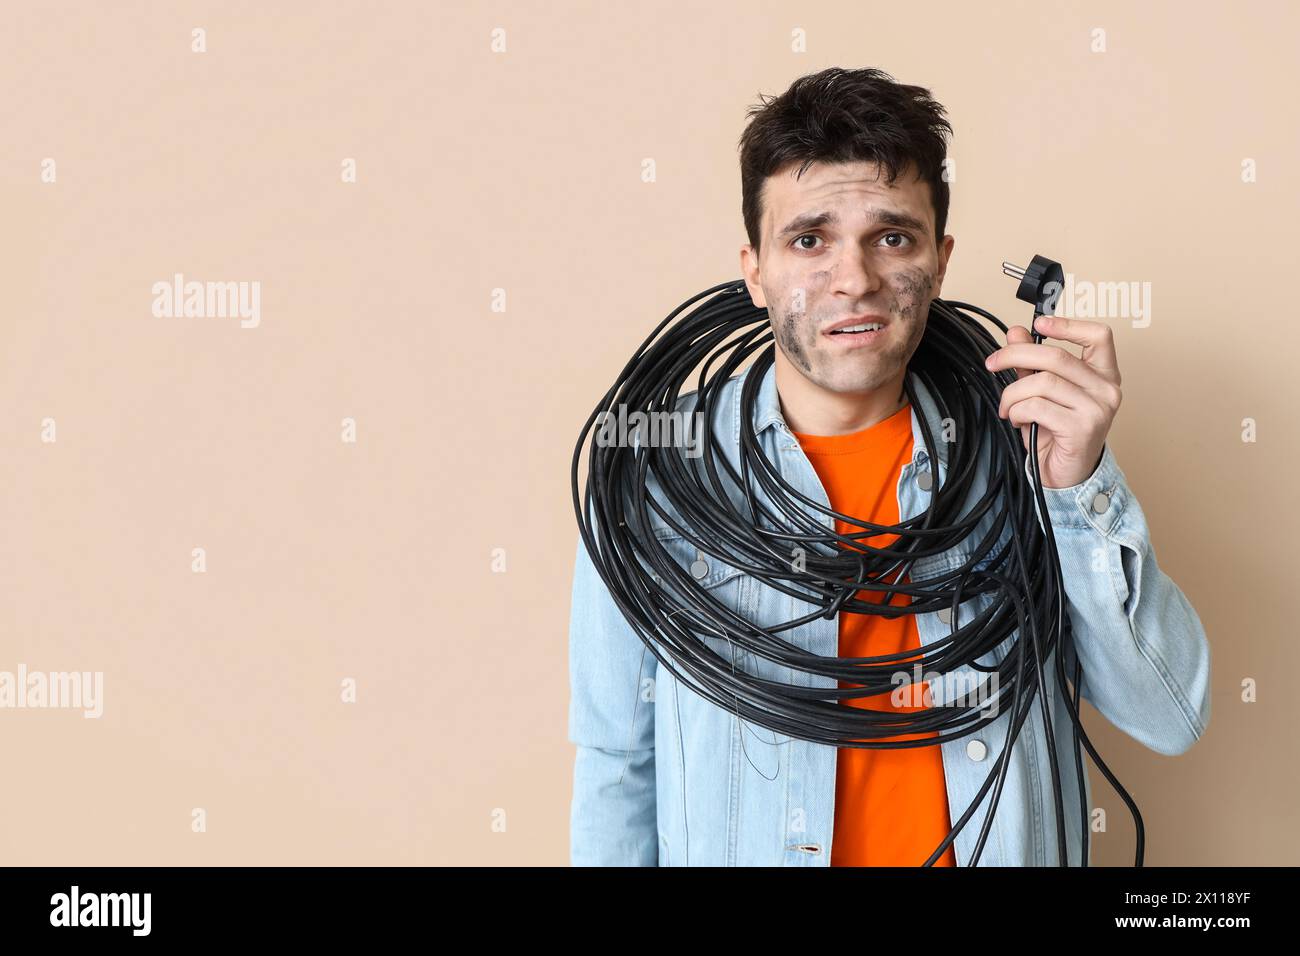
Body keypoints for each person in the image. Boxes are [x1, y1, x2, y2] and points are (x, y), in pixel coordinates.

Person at [567, 66, 1211, 867]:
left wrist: (1078, 487)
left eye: (892, 237)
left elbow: (1169, 716)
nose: (855, 280)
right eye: (810, 239)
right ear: (753, 268)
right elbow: (616, 764)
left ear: (940, 262)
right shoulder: (658, 480)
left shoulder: (1026, 457)